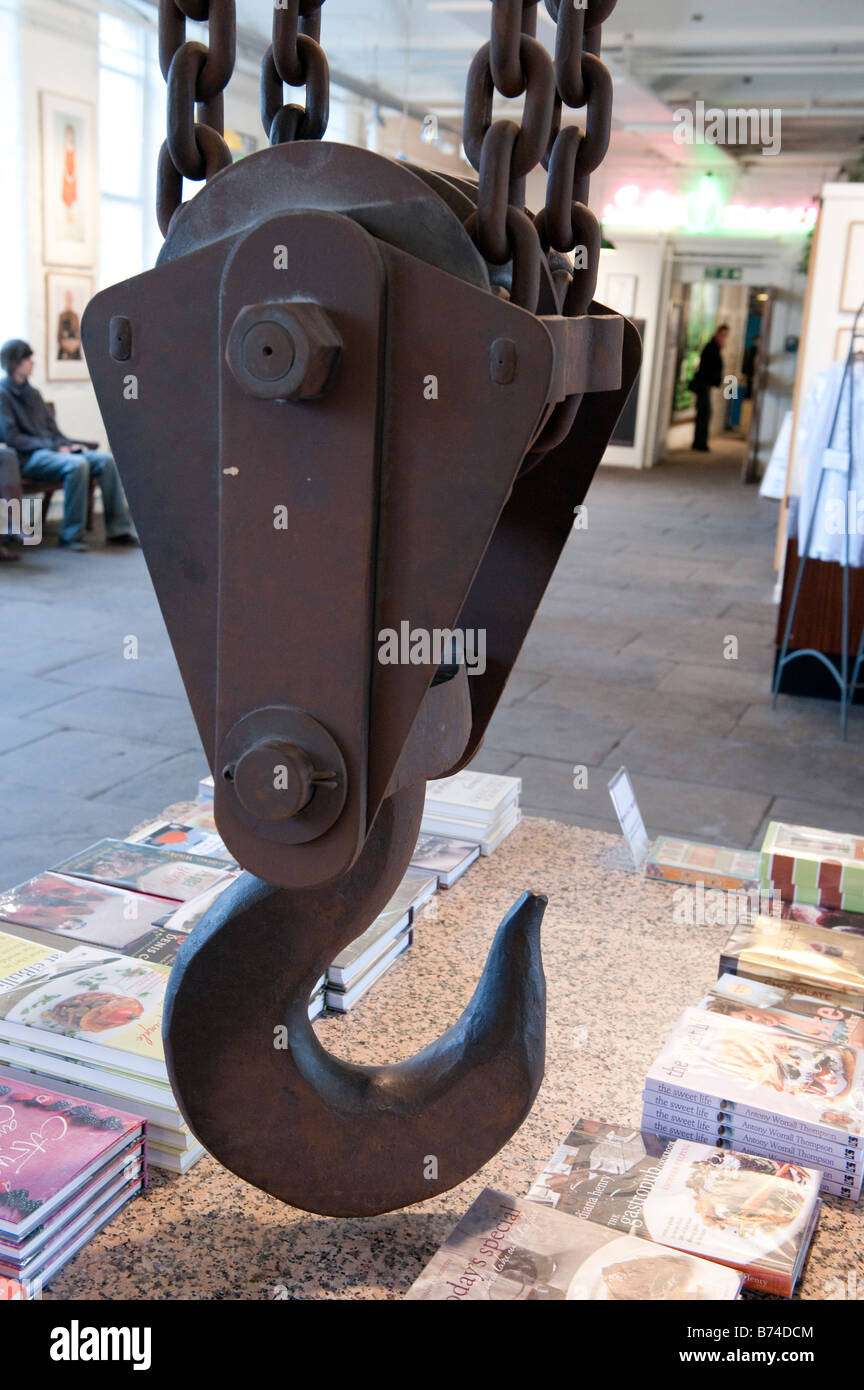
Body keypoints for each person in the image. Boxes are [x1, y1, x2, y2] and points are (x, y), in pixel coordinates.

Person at [0, 339, 136, 551]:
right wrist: (55, 448)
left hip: (53, 452)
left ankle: (118, 529)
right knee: (76, 465)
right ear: (14, 362)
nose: (32, 363)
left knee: (107, 461)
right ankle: (71, 535)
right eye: (27, 358)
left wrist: (67, 445)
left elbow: (53, 429)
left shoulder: (33, 393)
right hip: (27, 458)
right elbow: (13, 438)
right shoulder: (3, 394)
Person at [689, 323, 730, 452]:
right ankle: (699, 443)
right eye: (723, 335)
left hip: (706, 384)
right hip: (703, 384)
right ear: (718, 334)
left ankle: (700, 442)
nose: (724, 338)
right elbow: (709, 367)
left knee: (704, 413)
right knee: (704, 413)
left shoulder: (715, 347)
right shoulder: (711, 347)